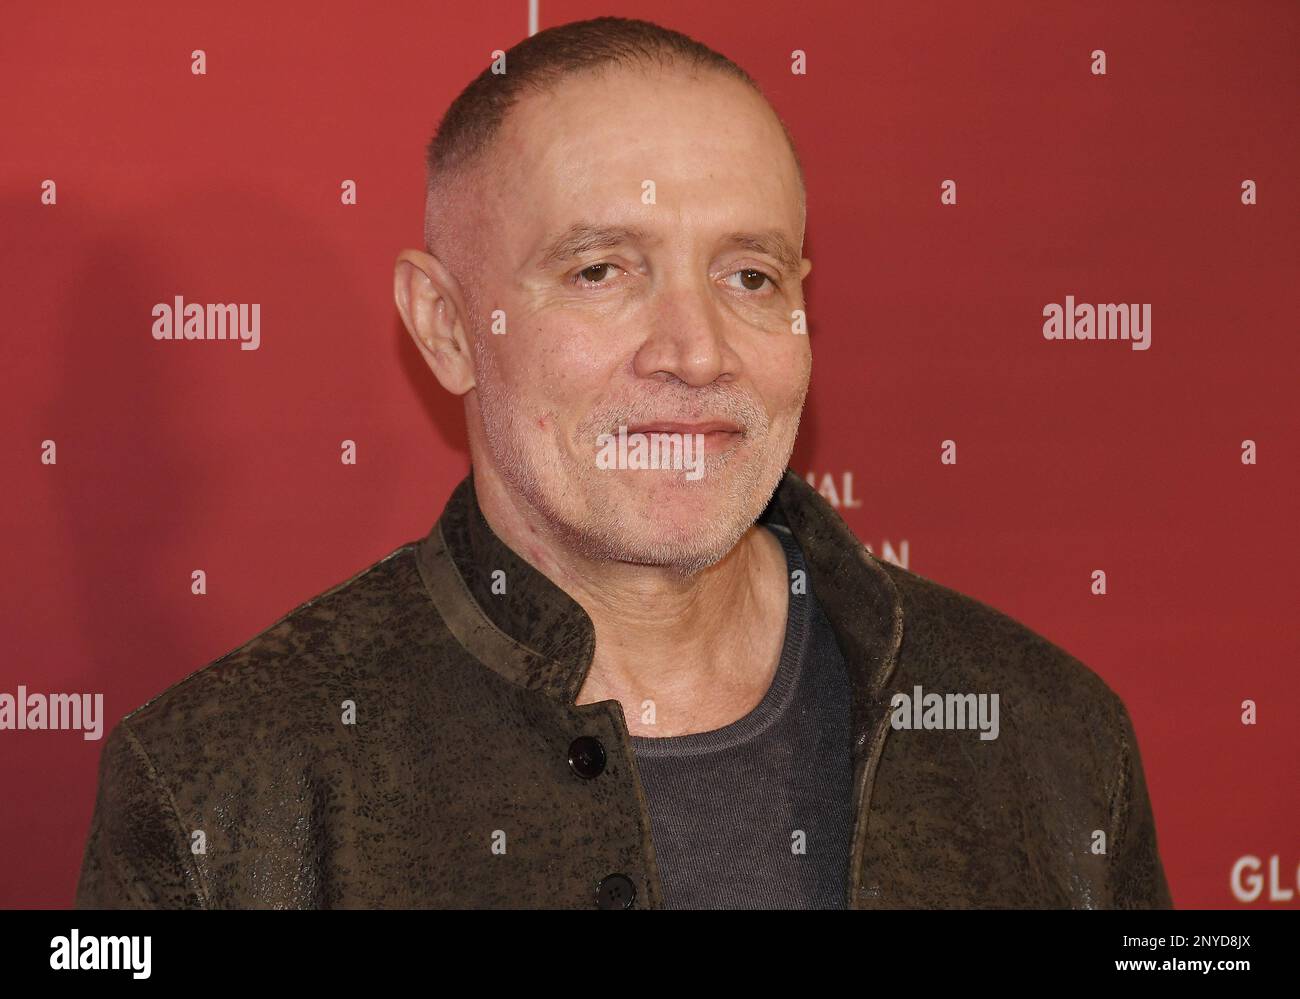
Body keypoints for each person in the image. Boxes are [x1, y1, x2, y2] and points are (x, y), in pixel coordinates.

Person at [75, 15, 1172, 909]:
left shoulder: (1047, 731)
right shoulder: (219, 788)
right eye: (601, 271)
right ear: (448, 326)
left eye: (750, 277)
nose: (696, 353)